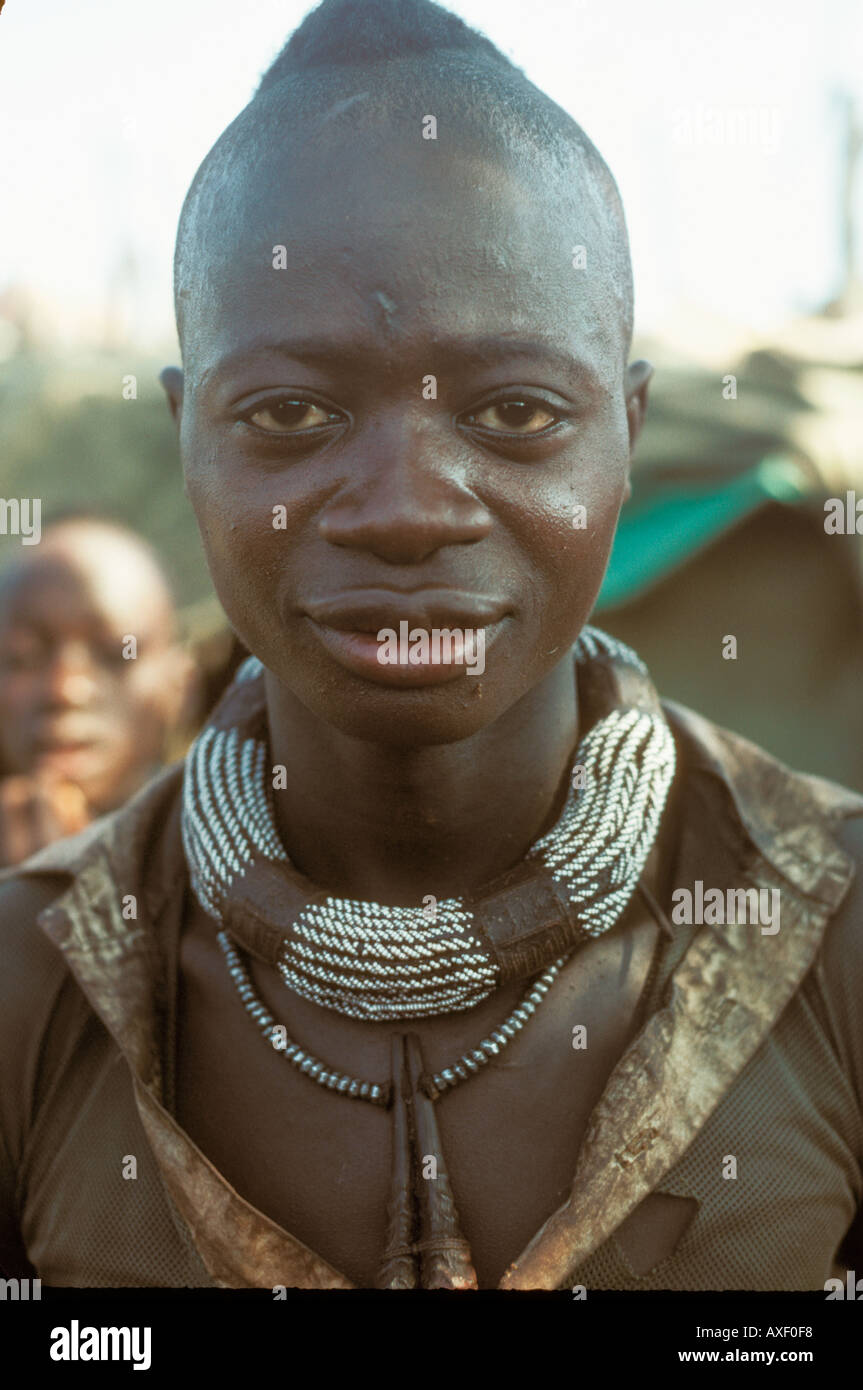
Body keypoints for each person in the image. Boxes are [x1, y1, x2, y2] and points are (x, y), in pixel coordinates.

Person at [1, 0, 862, 1292]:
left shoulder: (830, 932)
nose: (406, 505)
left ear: (624, 433)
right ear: (187, 439)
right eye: (290, 411)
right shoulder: (37, 979)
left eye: (515, 411)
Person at [0, 516, 195, 866]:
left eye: (115, 653)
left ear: (181, 684)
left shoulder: (225, 863)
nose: (64, 689)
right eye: (23, 655)